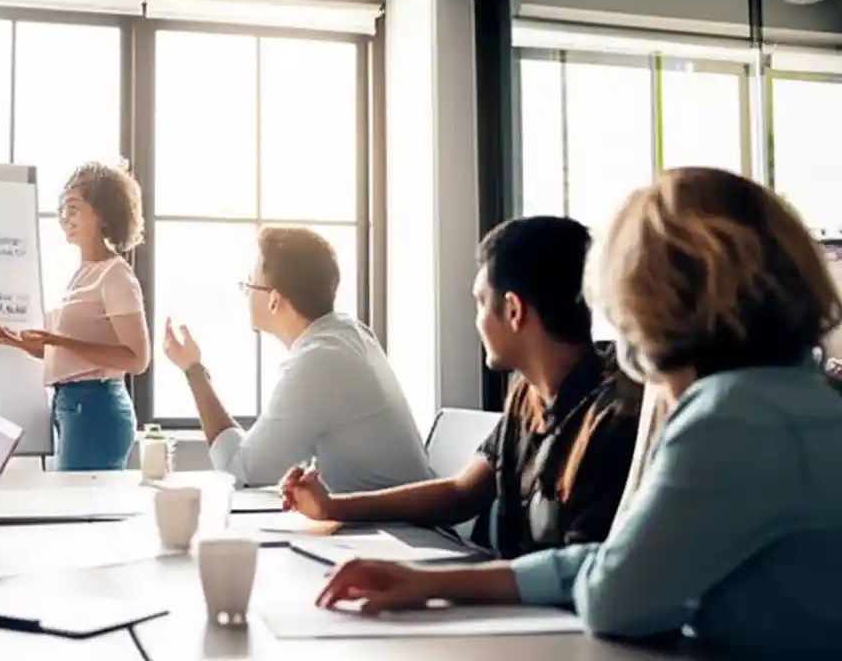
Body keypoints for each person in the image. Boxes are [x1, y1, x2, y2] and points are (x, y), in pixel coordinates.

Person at [316, 168, 842, 657]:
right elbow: (621, 560)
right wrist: (435, 582)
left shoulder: (730, 418)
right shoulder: (796, 397)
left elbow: (618, 598)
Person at [282, 217, 642, 557]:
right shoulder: (526, 396)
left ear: (513, 310)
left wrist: (427, 584)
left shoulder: (615, 416)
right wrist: (332, 506)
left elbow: (580, 567)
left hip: (555, 618)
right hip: (513, 607)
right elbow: (461, 492)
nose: (479, 320)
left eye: (481, 302)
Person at [161, 226, 432, 493]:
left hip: (397, 530)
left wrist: (193, 372)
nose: (245, 293)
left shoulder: (319, 362)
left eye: (250, 284)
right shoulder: (349, 332)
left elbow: (239, 470)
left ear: (274, 300)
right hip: (394, 520)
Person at [0, 162, 149, 471]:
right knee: (75, 506)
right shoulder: (81, 275)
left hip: (97, 406)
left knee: (84, 510)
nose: (64, 219)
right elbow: (66, 355)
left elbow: (137, 359)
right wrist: (13, 341)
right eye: (62, 210)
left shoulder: (116, 275)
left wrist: (57, 339)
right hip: (70, 404)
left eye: (74, 209)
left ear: (103, 213)